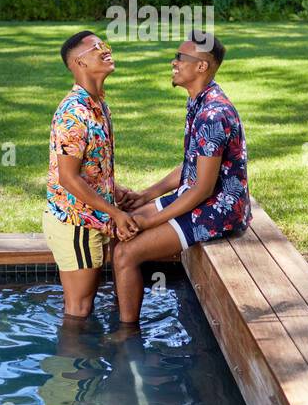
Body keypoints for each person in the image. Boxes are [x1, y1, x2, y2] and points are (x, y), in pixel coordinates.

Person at [113, 35, 251, 324]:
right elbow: (192, 165)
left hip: (218, 211)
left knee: (126, 253)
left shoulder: (213, 114)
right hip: (199, 197)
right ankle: (123, 312)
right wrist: (145, 196)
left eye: (180, 58)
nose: (173, 63)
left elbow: (202, 189)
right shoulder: (200, 100)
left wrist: (151, 222)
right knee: (125, 225)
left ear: (201, 66)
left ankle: (127, 334)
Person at [43, 30, 140, 318]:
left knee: (86, 305)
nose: (105, 50)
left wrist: (114, 190)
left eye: (104, 44)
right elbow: (68, 178)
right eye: (96, 47)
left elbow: (89, 167)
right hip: (76, 222)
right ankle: (75, 351)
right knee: (79, 309)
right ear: (80, 63)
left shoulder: (97, 104)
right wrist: (116, 213)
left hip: (92, 216)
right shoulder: (74, 113)